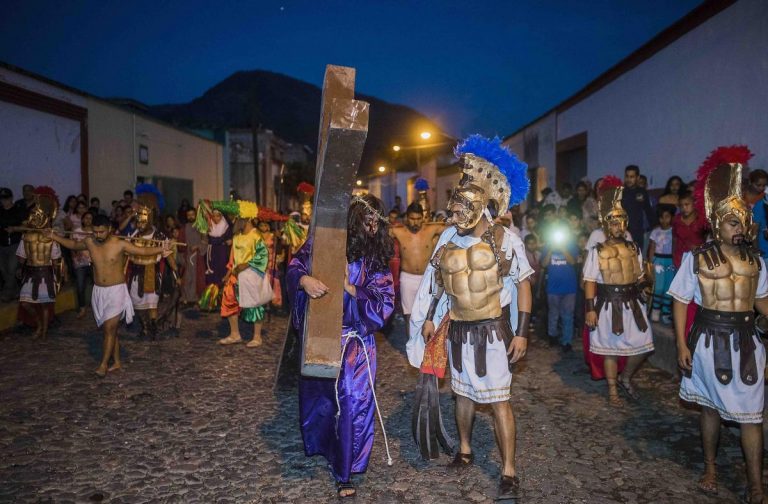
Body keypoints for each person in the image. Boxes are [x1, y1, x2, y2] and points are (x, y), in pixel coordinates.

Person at [408, 135, 532, 500]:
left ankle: (508, 471)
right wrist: (429, 318)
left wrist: (522, 332)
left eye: (461, 211)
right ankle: (464, 451)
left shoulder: (505, 240)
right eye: (453, 210)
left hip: (493, 331)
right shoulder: (448, 239)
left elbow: (523, 284)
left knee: (498, 400)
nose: (454, 217)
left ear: (478, 208)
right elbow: (438, 282)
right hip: (458, 330)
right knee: (462, 394)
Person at [668, 146, 768, 502]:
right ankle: (710, 467)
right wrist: (681, 344)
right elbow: (680, 300)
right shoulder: (697, 260)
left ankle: (756, 485)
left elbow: (763, 302)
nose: (739, 228)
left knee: (752, 415)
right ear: (716, 223)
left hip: (748, 342)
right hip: (708, 341)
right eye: (732, 222)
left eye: (743, 221)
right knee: (709, 406)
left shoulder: (756, 262)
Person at [287, 194, 394, 498]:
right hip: (322, 336)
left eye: (377, 221)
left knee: (351, 402)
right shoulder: (326, 242)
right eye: (367, 220)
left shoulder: (376, 259)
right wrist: (304, 280)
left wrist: (352, 289)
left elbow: (385, 303)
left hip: (356, 344)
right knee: (322, 399)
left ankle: (345, 471)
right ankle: (324, 447)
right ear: (354, 220)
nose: (372, 226)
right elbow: (295, 265)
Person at [49, 215, 171, 376]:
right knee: (110, 330)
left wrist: (161, 249)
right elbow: (73, 245)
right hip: (99, 292)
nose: (98, 235)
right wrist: (54, 236)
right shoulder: (89, 241)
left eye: (101, 232)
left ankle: (103, 365)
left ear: (109, 229)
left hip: (116, 291)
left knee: (109, 328)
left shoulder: (120, 243)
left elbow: (142, 250)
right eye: (95, 231)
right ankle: (117, 362)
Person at [584, 176, 653, 406]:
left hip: (633, 303)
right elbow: (590, 280)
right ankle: (612, 389)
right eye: (614, 222)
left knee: (645, 344)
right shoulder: (598, 250)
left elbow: (639, 275)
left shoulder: (634, 247)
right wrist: (590, 309)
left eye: (622, 222)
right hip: (607, 303)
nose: (619, 226)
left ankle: (625, 377)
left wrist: (645, 284)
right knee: (610, 350)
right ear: (606, 224)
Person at [16, 187, 62, 339]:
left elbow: (56, 260)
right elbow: (22, 256)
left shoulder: (51, 237)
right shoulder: (26, 236)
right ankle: (39, 324)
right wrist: (20, 267)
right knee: (25, 302)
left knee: (44, 305)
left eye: (38, 215)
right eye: (33, 215)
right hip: (30, 273)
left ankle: (44, 331)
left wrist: (58, 278)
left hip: (45, 273)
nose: (34, 217)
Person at [219, 214, 271, 347]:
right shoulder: (236, 236)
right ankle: (234, 334)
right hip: (235, 276)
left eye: (238, 219)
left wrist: (246, 264)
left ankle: (257, 337)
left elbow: (263, 255)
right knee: (229, 300)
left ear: (247, 219)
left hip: (251, 275)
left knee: (254, 304)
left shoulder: (256, 236)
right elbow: (232, 258)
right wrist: (228, 273)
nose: (235, 221)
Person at [389, 202, 445, 325]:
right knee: (409, 315)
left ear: (423, 217)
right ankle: (410, 338)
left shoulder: (431, 229)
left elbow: (453, 228)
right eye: (412, 219)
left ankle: (426, 338)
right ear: (406, 218)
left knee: (428, 313)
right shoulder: (398, 231)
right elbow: (379, 231)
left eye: (419, 218)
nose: (415, 222)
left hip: (427, 277)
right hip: (407, 278)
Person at [541, 222, 579, 351]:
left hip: (569, 287)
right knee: (553, 314)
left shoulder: (572, 246)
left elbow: (573, 261)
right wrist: (550, 249)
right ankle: (552, 336)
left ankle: (567, 341)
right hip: (553, 288)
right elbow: (543, 264)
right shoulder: (548, 246)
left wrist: (563, 249)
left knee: (568, 315)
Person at [648, 206, 675, 324]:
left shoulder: (674, 231)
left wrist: (676, 261)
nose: (664, 220)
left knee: (668, 288)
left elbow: (676, 246)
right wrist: (651, 262)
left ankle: (666, 312)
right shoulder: (655, 232)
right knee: (658, 287)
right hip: (658, 261)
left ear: (672, 217)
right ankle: (655, 310)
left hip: (670, 261)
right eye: (661, 217)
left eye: (667, 217)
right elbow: (652, 247)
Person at [621, 165, 655, 251]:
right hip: (622, 231)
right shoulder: (620, 192)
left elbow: (648, 211)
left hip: (637, 232)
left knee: (637, 255)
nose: (629, 179)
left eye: (632, 177)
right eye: (627, 176)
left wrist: (655, 227)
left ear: (638, 177)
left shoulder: (642, 192)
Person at [0, 188, 25, 301]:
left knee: (11, 268)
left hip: (15, 243)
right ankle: (15, 291)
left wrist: (14, 228)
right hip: (1, 244)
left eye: (6, 198)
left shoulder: (18, 210)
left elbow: (25, 226)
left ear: (11, 198)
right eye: (2, 199)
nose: (4, 201)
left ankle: (7, 292)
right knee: (3, 269)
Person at [72, 211, 94, 318]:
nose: (88, 220)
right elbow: (73, 246)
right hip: (80, 263)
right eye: (86, 218)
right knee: (80, 286)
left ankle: (97, 306)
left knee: (98, 285)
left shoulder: (96, 232)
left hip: (94, 262)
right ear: (82, 219)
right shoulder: (76, 231)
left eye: (90, 218)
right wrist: (74, 259)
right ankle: (82, 309)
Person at [257, 219, 283, 310]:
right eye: (261, 225)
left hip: (271, 261)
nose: (263, 227)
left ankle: (271, 302)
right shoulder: (256, 235)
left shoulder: (273, 235)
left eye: (265, 225)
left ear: (268, 226)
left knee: (272, 281)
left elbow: (279, 247)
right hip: (260, 261)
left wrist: (278, 238)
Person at [180, 207, 202, 305]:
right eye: (188, 215)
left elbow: (205, 241)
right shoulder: (183, 228)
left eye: (192, 214)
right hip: (188, 256)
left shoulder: (201, 227)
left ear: (196, 215)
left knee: (197, 278)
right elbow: (180, 244)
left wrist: (198, 246)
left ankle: (196, 298)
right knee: (187, 278)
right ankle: (187, 298)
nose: (190, 217)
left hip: (199, 257)